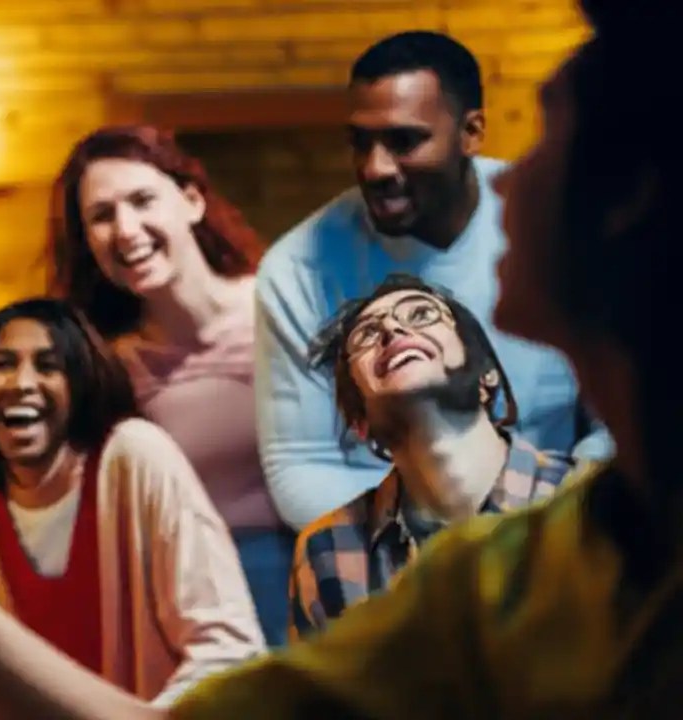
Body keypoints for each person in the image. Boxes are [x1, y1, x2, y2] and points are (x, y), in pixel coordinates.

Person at [0, 3, 680, 713]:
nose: (504, 180)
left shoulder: (491, 545)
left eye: (542, 135)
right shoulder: (500, 582)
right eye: (97, 216)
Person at [252, 30, 612, 529]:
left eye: (404, 141)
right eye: (360, 142)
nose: (375, 168)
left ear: (472, 132)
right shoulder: (295, 270)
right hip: (390, 550)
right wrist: (432, 539)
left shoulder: (552, 218)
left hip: (565, 524)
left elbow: (618, 417)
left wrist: (538, 529)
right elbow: (302, 463)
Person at [0, 298, 266, 718]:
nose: (21, 383)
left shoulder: (134, 456)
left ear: (80, 386)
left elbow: (229, 649)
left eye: (48, 366)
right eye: (2, 364)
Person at [45, 125, 295, 646]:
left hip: (310, 587)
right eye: (101, 215)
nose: (126, 228)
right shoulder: (106, 369)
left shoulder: (288, 308)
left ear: (191, 202)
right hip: (187, 608)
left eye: (142, 201)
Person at [288, 274, 572, 639]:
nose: (392, 327)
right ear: (359, 423)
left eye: (420, 314)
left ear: (487, 374)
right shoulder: (327, 549)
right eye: (367, 336)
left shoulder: (586, 499)